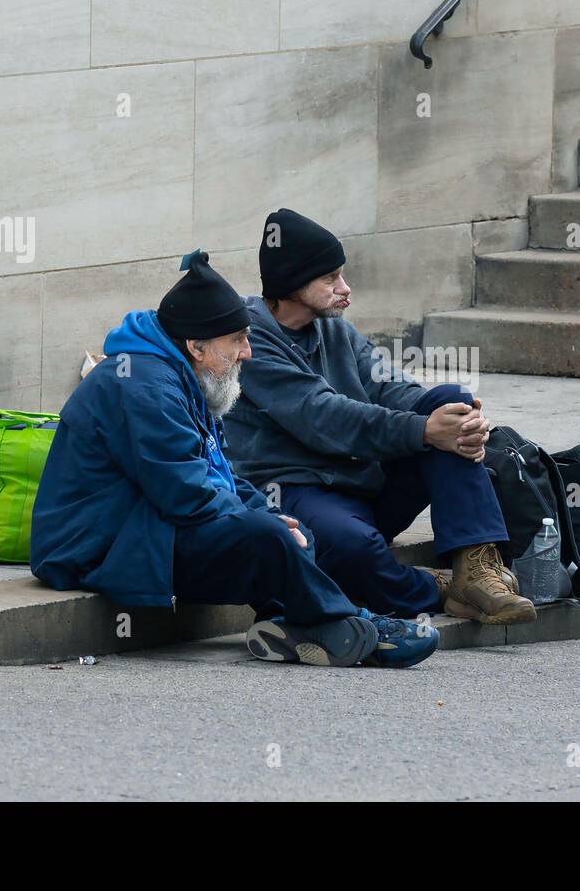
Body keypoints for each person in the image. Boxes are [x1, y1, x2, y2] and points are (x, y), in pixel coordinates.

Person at [30, 251, 438, 668]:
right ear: (197, 345)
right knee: (265, 535)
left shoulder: (180, 374)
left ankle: (292, 625)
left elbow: (221, 472)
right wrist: (265, 523)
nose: (247, 353)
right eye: (238, 340)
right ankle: (353, 629)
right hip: (91, 547)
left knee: (291, 530)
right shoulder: (144, 387)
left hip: (140, 525)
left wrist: (268, 513)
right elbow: (184, 492)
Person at [224, 209, 536, 626]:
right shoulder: (251, 340)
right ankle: (440, 589)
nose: (345, 288)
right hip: (297, 491)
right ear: (293, 283)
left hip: (359, 484)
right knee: (352, 549)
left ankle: (478, 566)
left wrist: (454, 421)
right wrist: (425, 431)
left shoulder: (335, 329)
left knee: (448, 398)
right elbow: (323, 416)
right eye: (331, 278)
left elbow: (392, 388)